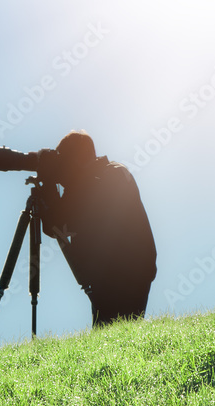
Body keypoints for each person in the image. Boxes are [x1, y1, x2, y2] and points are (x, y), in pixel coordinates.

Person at [40, 130, 157, 326]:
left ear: (75, 160)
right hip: (103, 277)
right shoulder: (77, 188)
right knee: (107, 336)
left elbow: (96, 201)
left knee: (119, 336)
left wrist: (64, 181)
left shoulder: (114, 172)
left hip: (130, 270)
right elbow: (57, 227)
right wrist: (49, 185)